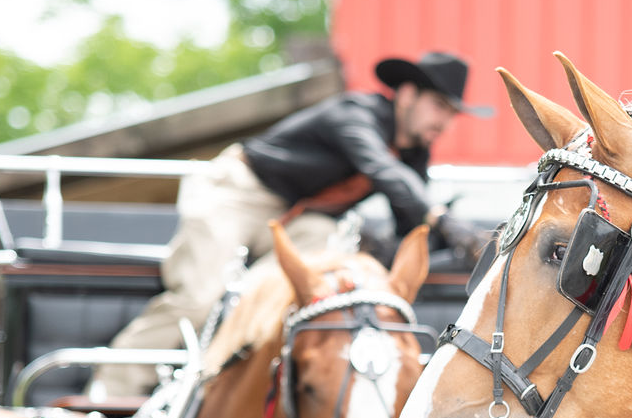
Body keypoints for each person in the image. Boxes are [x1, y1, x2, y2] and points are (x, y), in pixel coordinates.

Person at [91, 51, 493, 398]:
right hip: (237, 191)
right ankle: (110, 389)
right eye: (440, 106)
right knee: (199, 295)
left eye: (453, 112)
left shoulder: (413, 153)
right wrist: (444, 219)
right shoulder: (355, 113)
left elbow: (408, 217)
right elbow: (382, 170)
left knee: (274, 298)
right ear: (407, 94)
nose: (446, 121)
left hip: (301, 217)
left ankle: (213, 382)